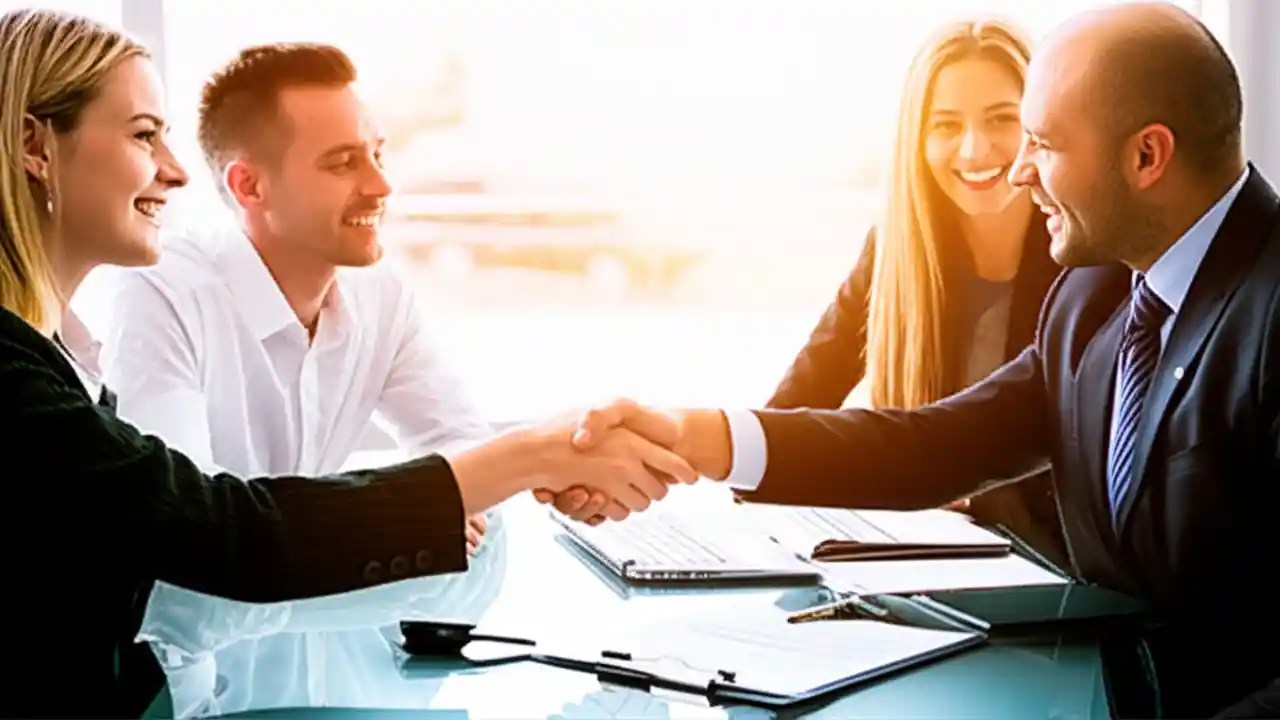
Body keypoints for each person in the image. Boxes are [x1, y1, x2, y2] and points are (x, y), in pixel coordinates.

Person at [561, 3, 1280, 715]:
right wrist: (699, 437)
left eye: (1043, 144)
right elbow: (938, 444)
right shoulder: (1095, 295)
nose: (1019, 172)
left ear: (1146, 156)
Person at [0, 10, 691, 718]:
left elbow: (473, 557)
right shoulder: (39, 365)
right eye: (145, 135)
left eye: (378, 154)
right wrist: (517, 464)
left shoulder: (60, 356)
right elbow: (205, 554)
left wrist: (474, 487)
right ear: (34, 145)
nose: (174, 172)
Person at [91, 42, 495, 715]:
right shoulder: (162, 293)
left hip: (353, 684)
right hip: (196, 695)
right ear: (249, 186)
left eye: (377, 153)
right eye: (343, 163)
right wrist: (406, 528)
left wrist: (403, 522)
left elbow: (479, 493)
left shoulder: (382, 299)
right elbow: (189, 572)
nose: (380, 184)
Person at [765, 18, 1067, 567]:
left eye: (1003, 119)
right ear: (916, 139)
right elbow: (790, 414)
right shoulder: (894, 253)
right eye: (946, 126)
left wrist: (949, 478)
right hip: (922, 568)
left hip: (1053, 576)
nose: (974, 150)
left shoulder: (1085, 257)